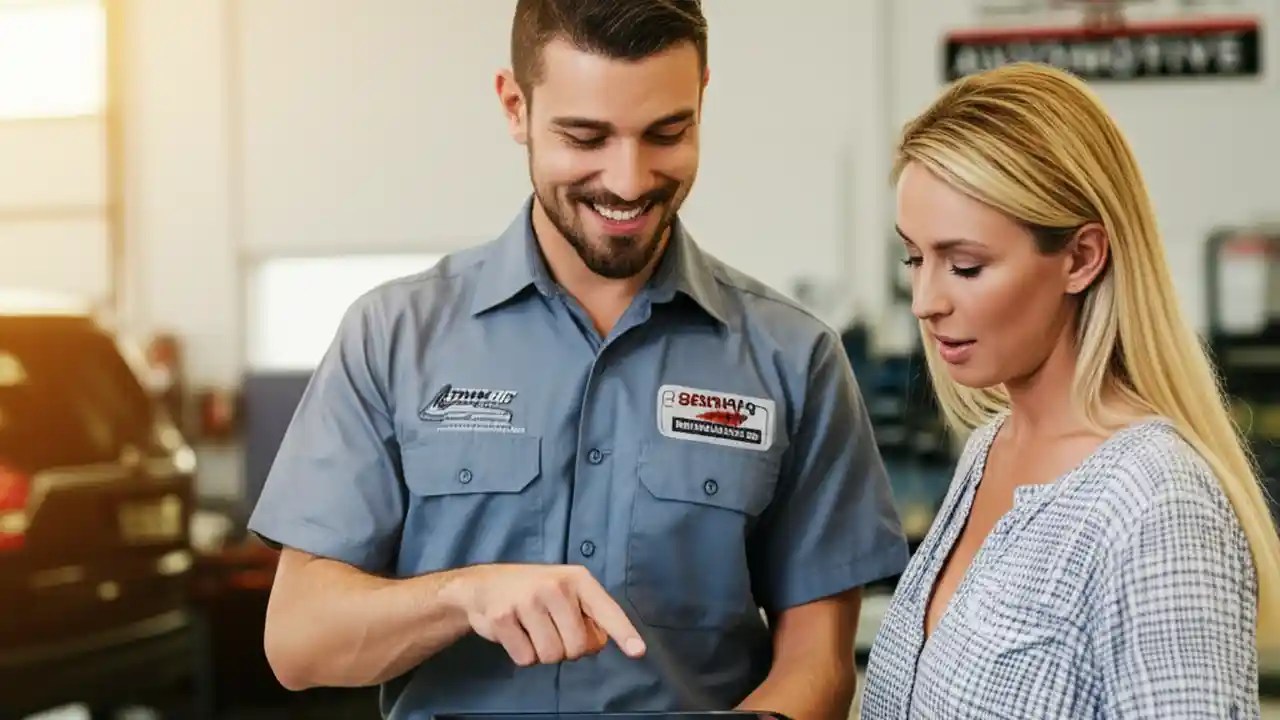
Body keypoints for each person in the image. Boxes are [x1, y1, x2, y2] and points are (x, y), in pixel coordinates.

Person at [247, 1, 909, 718]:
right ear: (514, 106)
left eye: (667, 132)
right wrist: (465, 596)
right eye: (585, 136)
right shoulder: (393, 337)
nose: (628, 181)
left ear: (702, 100)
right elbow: (299, 642)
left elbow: (819, 662)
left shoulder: (793, 358)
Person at [859, 61, 1280, 718]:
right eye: (915, 258)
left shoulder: (1157, 504)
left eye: (964, 265)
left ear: (1082, 258)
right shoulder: (989, 448)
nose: (924, 300)